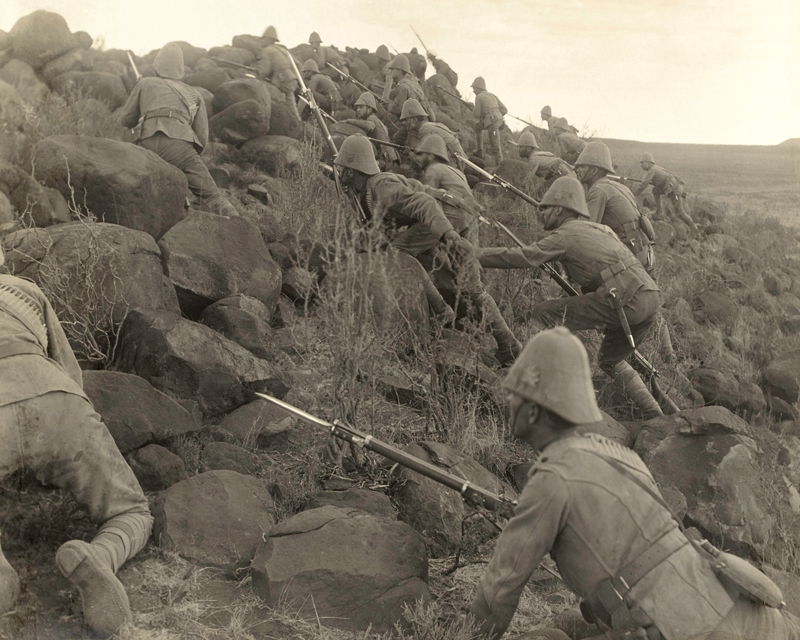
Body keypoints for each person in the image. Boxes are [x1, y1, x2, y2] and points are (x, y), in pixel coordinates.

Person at [471, 326, 800, 640]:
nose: (508, 402)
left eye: (514, 395)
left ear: (532, 410)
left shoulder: (553, 476)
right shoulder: (619, 455)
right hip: (752, 614)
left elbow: (496, 596)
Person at [0, 245, 153, 636]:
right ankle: (99, 556)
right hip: (56, 398)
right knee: (131, 512)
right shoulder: (23, 288)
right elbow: (72, 375)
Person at [477, 176, 664, 417]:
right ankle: (656, 415)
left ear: (559, 209)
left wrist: (476, 254)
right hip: (648, 297)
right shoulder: (601, 228)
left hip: (624, 301)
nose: (540, 213)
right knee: (609, 360)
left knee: (542, 314)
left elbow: (523, 257)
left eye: (544, 208)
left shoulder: (564, 236)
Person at [333, 135, 521, 364]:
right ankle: (509, 346)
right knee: (473, 290)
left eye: (343, 167)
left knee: (397, 255)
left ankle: (441, 311)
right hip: (460, 216)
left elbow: (425, 203)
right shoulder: (375, 186)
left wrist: (449, 235)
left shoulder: (383, 187)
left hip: (443, 218)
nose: (339, 171)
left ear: (352, 170)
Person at [119, 43, 239, 217]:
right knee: (212, 195)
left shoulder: (145, 83)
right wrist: (189, 158)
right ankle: (235, 222)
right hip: (180, 147)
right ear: (180, 69)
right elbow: (202, 136)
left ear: (157, 65)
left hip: (146, 143)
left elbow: (125, 120)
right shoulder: (194, 95)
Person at [574, 141, 654, 270]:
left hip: (629, 257)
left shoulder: (598, 190)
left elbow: (587, 233)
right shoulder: (621, 187)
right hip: (644, 253)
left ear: (594, 170)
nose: (577, 170)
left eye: (581, 166)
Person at [414, 134, 481, 246]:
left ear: (431, 156)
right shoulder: (456, 171)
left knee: (403, 244)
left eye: (421, 155)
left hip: (452, 219)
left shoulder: (433, 169)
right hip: (470, 221)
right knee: (468, 260)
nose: (417, 159)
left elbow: (429, 203)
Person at [395, 98, 465, 170]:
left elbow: (422, 162)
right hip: (458, 163)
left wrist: (409, 153)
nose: (403, 123)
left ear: (414, 120)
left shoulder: (424, 130)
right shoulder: (433, 125)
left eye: (406, 120)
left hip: (452, 166)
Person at [634, 152, 696, 231]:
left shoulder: (652, 170)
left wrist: (634, 194)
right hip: (669, 187)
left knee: (680, 213)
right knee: (655, 190)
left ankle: (694, 228)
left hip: (674, 189)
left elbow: (643, 185)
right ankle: (659, 212)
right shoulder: (655, 168)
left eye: (643, 162)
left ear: (648, 162)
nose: (641, 165)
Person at [337, 91, 398, 169]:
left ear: (369, 109)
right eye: (357, 107)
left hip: (384, 159)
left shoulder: (372, 119)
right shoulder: (376, 120)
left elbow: (369, 126)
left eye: (361, 107)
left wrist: (349, 121)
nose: (358, 110)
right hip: (387, 157)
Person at [254, 26, 301, 121]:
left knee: (287, 103)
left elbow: (264, 69)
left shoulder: (267, 50)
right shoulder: (282, 50)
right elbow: (298, 64)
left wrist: (255, 74)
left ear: (268, 39)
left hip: (282, 80)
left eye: (263, 39)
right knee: (290, 101)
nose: (262, 42)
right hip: (293, 79)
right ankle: (296, 121)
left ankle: (296, 123)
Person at [386, 54, 436, 125]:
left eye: (393, 69)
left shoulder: (403, 87)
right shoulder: (414, 84)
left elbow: (397, 109)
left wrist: (388, 105)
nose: (391, 72)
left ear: (399, 71)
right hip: (424, 120)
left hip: (414, 123)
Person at [471, 77, 507, 165]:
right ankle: (480, 151)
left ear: (479, 88)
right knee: (478, 127)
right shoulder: (492, 95)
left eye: (474, 88)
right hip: (498, 120)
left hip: (492, 123)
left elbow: (476, 114)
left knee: (495, 146)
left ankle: (500, 166)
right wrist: (496, 114)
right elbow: (505, 110)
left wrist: (473, 108)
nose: (473, 91)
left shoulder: (479, 97)